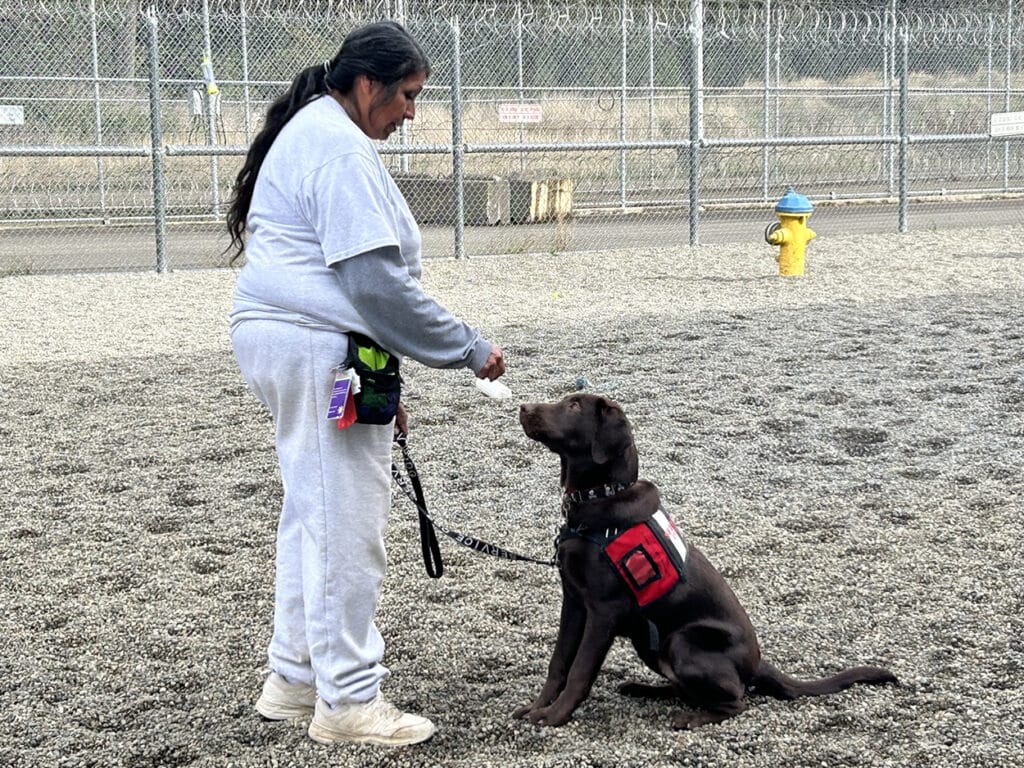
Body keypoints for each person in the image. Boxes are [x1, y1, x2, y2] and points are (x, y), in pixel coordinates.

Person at [224, 21, 505, 748]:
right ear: (366, 84)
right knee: (347, 526)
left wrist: (382, 383)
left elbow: (356, 291)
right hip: (312, 344)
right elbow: (375, 284)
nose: (412, 111)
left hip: (298, 343)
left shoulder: (319, 132)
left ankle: (294, 678)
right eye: (407, 95)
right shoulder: (340, 150)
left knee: (312, 513)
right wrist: (465, 348)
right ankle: (348, 699)